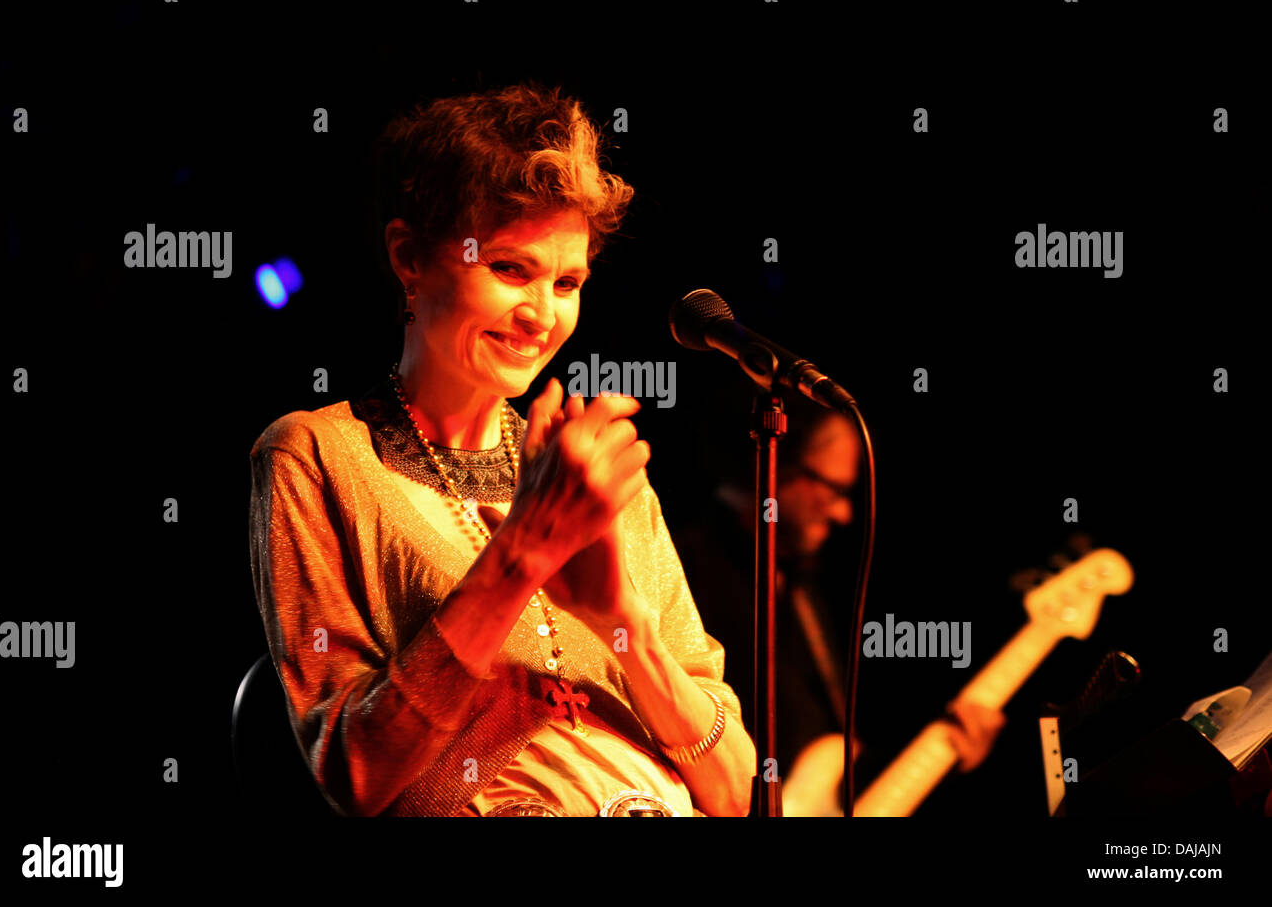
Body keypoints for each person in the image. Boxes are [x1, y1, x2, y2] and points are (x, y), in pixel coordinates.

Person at [248, 82, 756, 817]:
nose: (541, 315)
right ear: (409, 258)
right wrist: (518, 559)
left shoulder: (598, 477)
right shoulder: (317, 457)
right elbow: (356, 771)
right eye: (510, 268)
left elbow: (742, 792)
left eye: (568, 281)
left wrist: (622, 621)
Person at [673, 402, 1006, 815]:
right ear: (778, 461)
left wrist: (945, 751)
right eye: (833, 489)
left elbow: (820, 765)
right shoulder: (683, 570)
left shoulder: (802, 582)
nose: (844, 513)